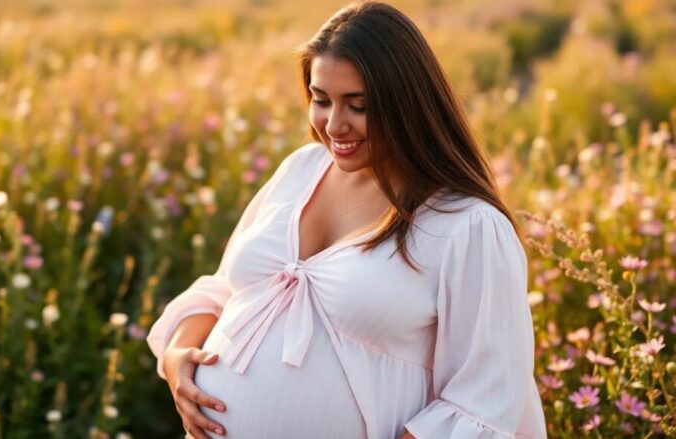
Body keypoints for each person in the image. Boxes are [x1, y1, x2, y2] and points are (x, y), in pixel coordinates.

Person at [147, 2, 547, 438]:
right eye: (321, 100)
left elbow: (482, 399)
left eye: (358, 106)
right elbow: (225, 290)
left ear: (407, 105)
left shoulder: (466, 225)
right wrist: (179, 354)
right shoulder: (301, 169)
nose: (334, 125)